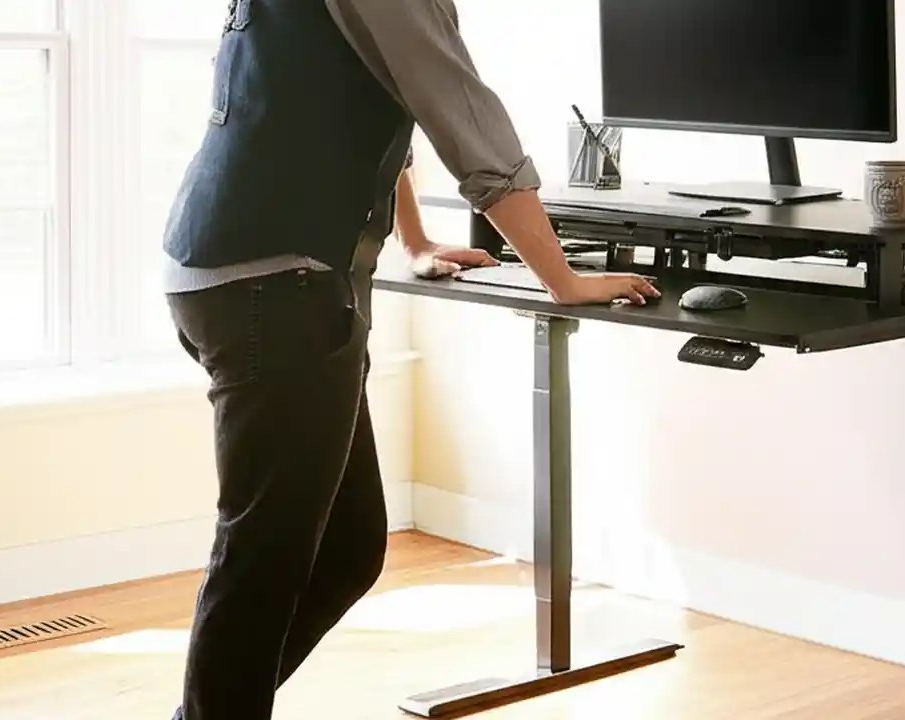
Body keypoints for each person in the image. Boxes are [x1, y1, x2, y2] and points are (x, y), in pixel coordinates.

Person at [159, 0, 659, 717]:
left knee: (347, 550)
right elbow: (465, 118)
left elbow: (379, 91)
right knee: (262, 563)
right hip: (275, 283)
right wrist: (564, 280)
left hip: (248, 271)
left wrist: (415, 240)